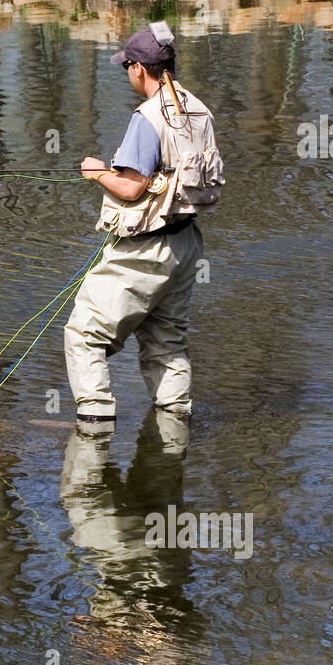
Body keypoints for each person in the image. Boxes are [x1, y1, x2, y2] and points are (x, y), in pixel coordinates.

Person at [64, 22, 224, 430]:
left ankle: (95, 431)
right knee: (166, 342)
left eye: (126, 67)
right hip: (186, 247)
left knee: (84, 336)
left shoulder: (147, 117)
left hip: (145, 252)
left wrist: (97, 173)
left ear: (139, 68)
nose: (127, 74)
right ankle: (174, 430)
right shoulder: (196, 109)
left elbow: (132, 187)